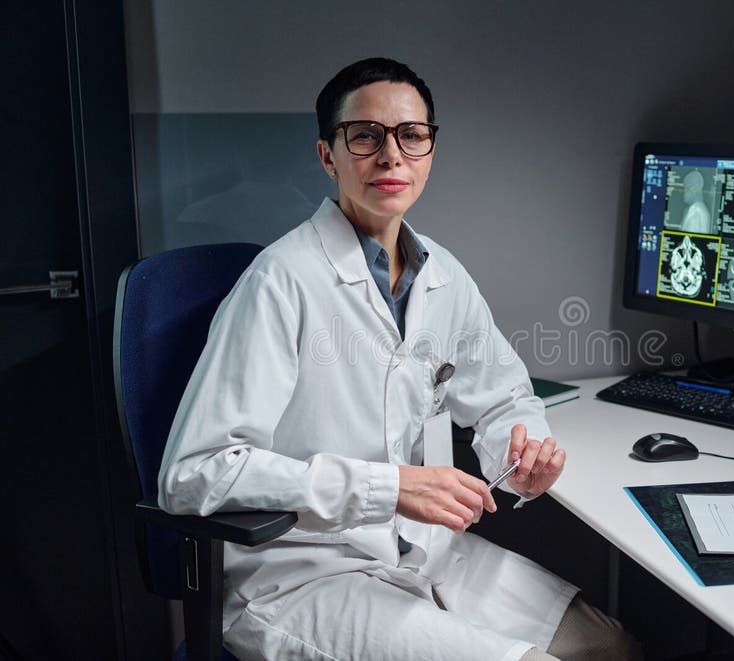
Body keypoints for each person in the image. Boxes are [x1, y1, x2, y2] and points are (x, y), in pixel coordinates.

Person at [159, 57, 639, 661]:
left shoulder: (440, 274)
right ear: (328, 156)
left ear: (430, 151)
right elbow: (195, 474)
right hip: (303, 573)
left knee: (610, 648)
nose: (392, 156)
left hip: (422, 549)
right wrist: (389, 488)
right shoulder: (279, 282)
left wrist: (518, 458)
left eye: (411, 136)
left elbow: (506, 398)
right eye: (366, 136)